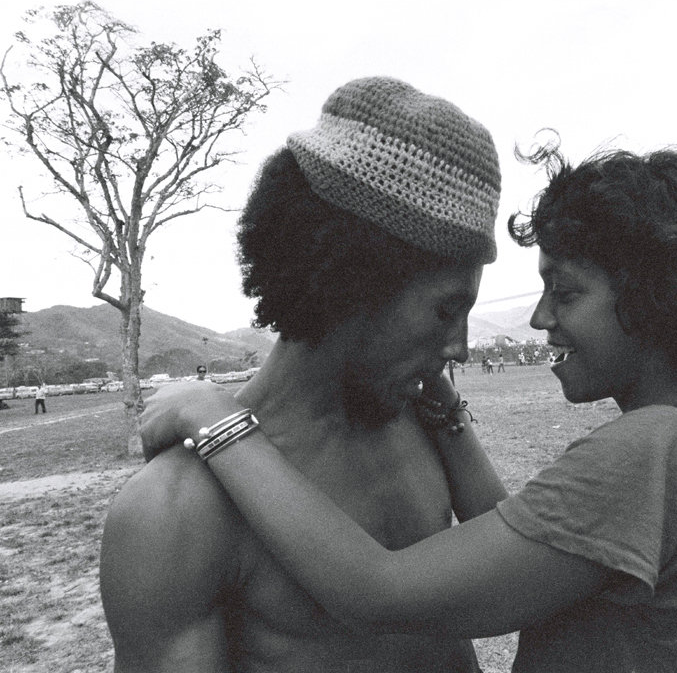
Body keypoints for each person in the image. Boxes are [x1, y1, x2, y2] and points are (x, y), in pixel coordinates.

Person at [142, 141, 677, 672]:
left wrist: (215, 422)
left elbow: (378, 593)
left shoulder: (653, 450)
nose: (541, 318)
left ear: (656, 301)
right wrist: (448, 420)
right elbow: (524, 564)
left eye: (565, 293)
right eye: (444, 310)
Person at [99, 77, 502, 673]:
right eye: (446, 310)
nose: (461, 349)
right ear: (352, 284)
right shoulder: (176, 508)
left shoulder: (429, 427)